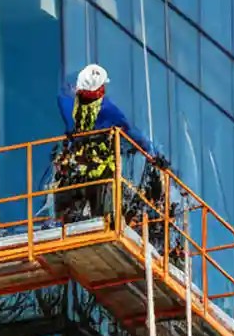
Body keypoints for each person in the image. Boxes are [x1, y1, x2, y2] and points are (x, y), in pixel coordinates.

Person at [54, 63, 168, 223]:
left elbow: (131, 133)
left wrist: (151, 151)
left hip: (91, 169)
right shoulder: (104, 109)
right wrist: (152, 152)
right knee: (99, 211)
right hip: (95, 169)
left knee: (92, 208)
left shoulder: (80, 107)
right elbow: (131, 132)